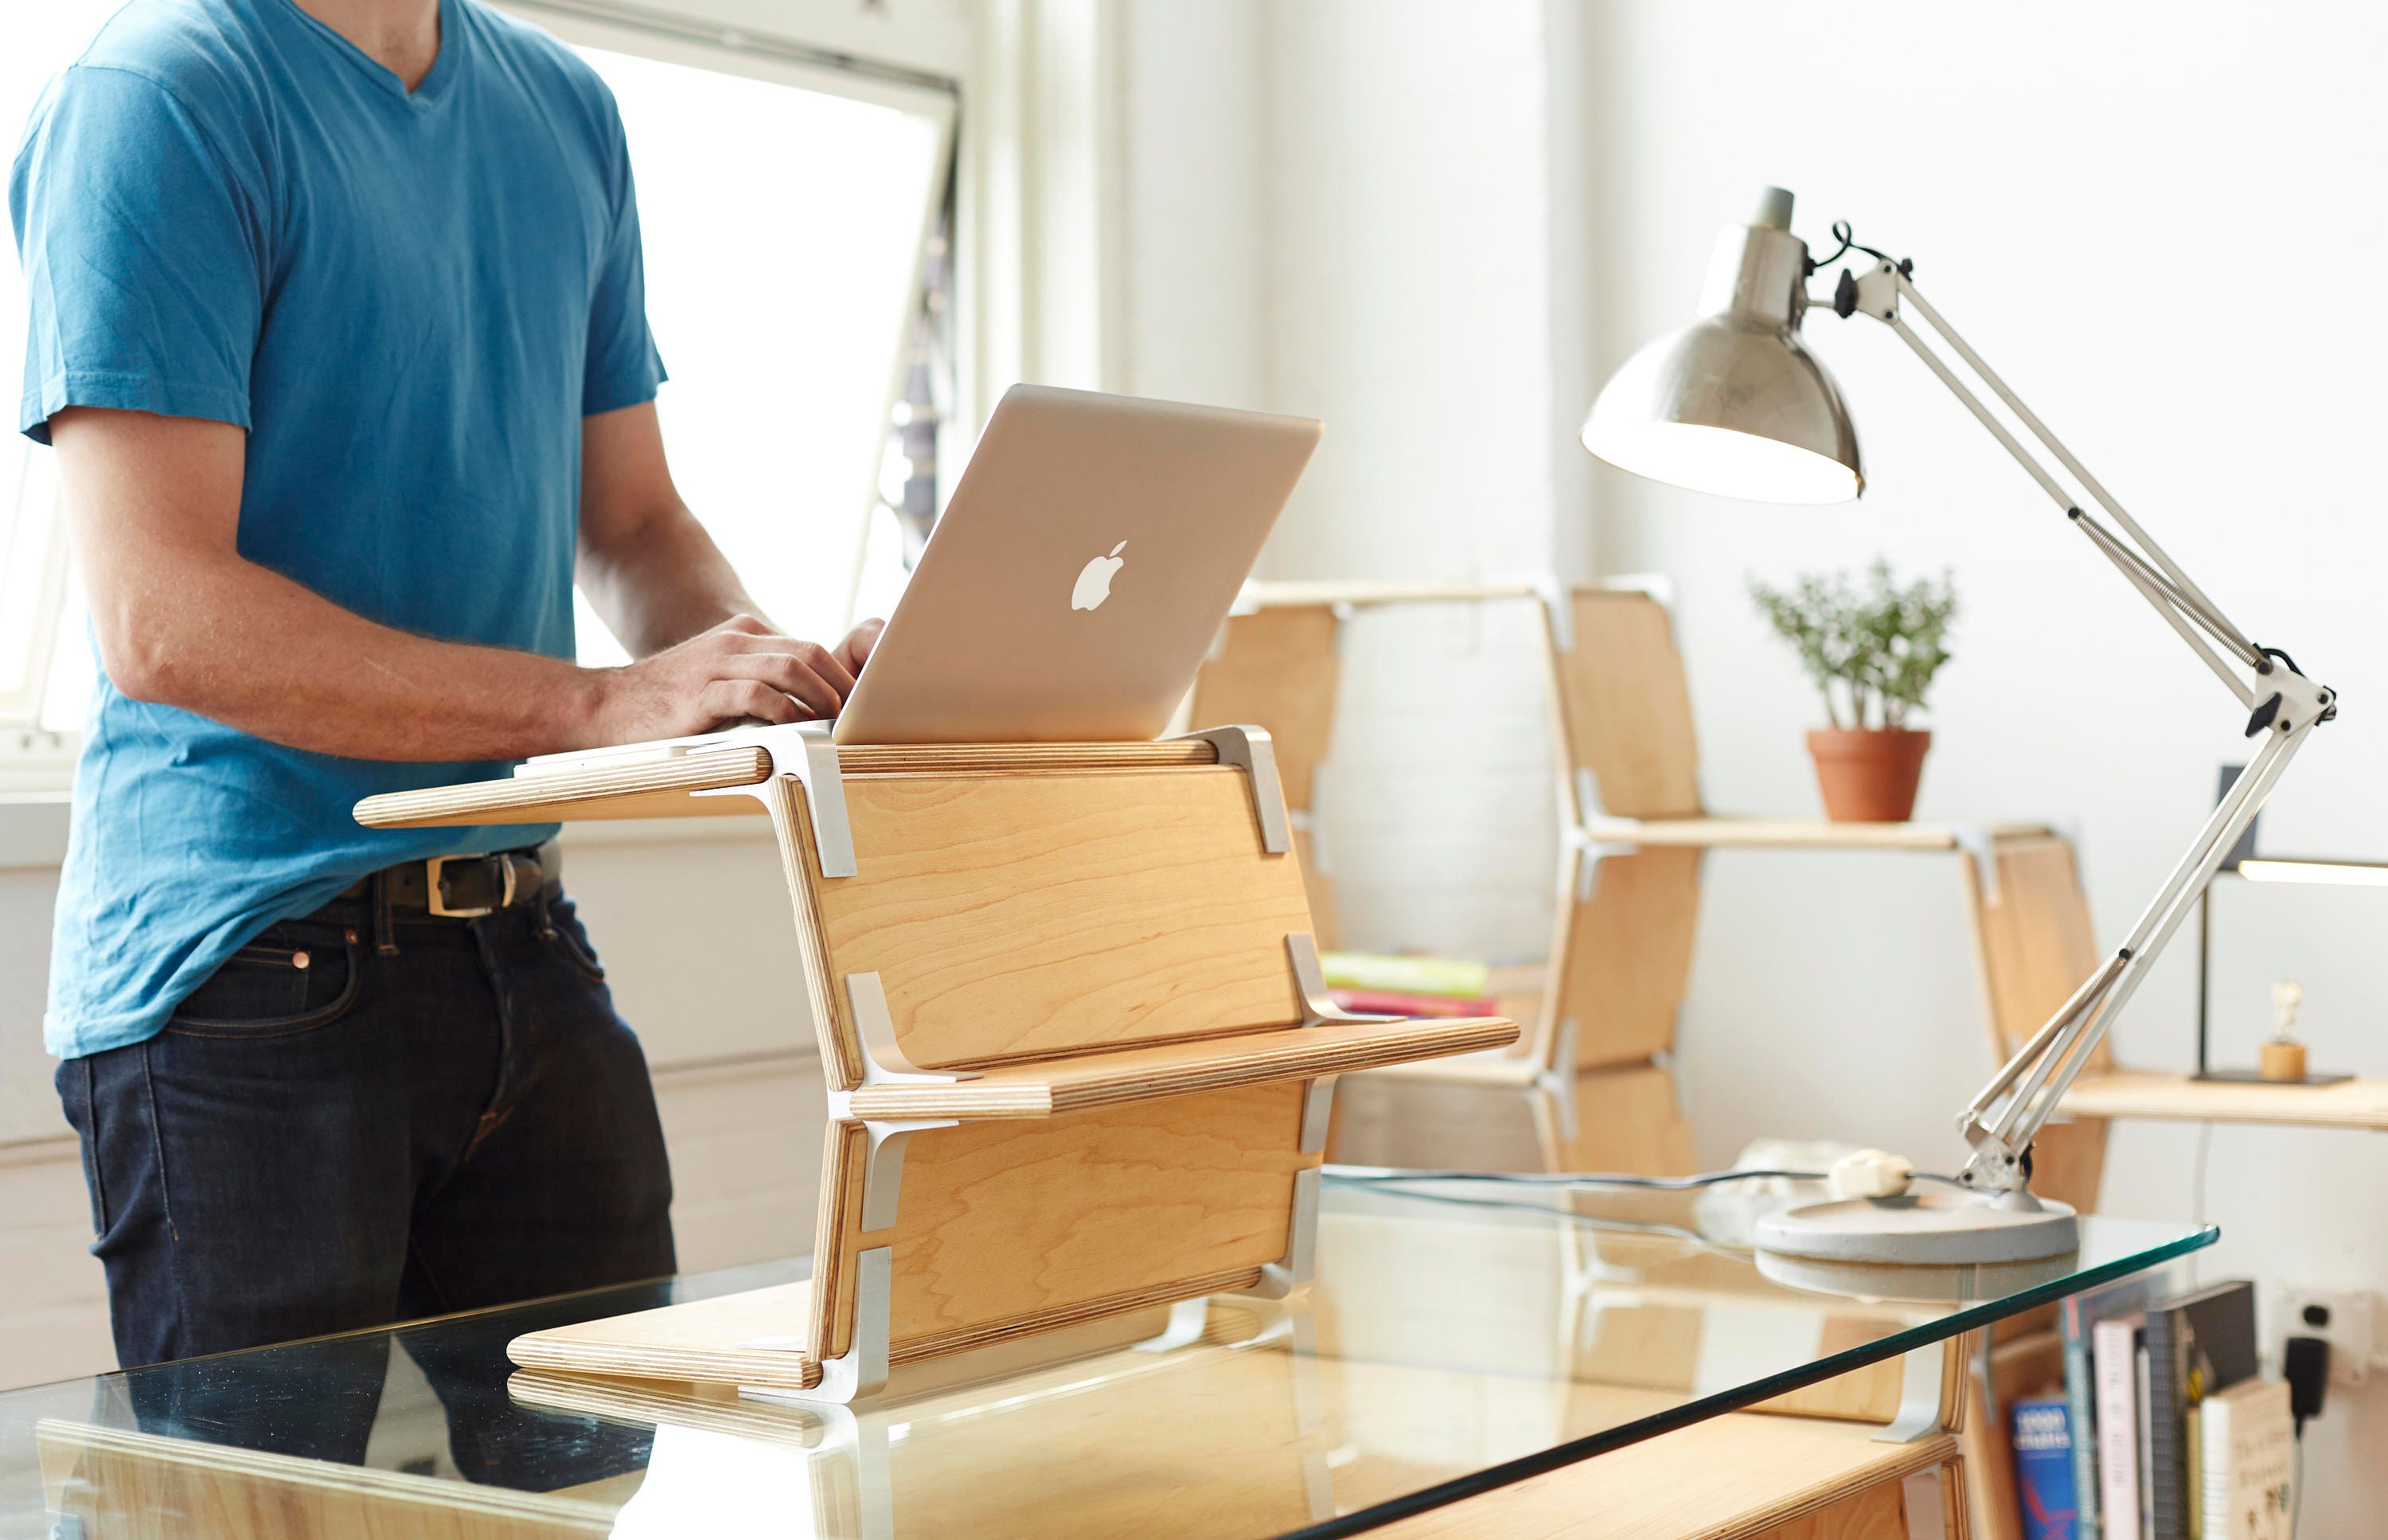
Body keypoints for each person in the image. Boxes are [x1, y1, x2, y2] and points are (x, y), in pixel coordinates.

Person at [11, 0, 878, 1368]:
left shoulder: (564, 111)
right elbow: (161, 620)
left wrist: (776, 673)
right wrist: (604, 705)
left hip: (520, 943)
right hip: (244, 969)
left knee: (590, 1481)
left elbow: (637, 524)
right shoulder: (160, 95)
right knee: (257, 1522)